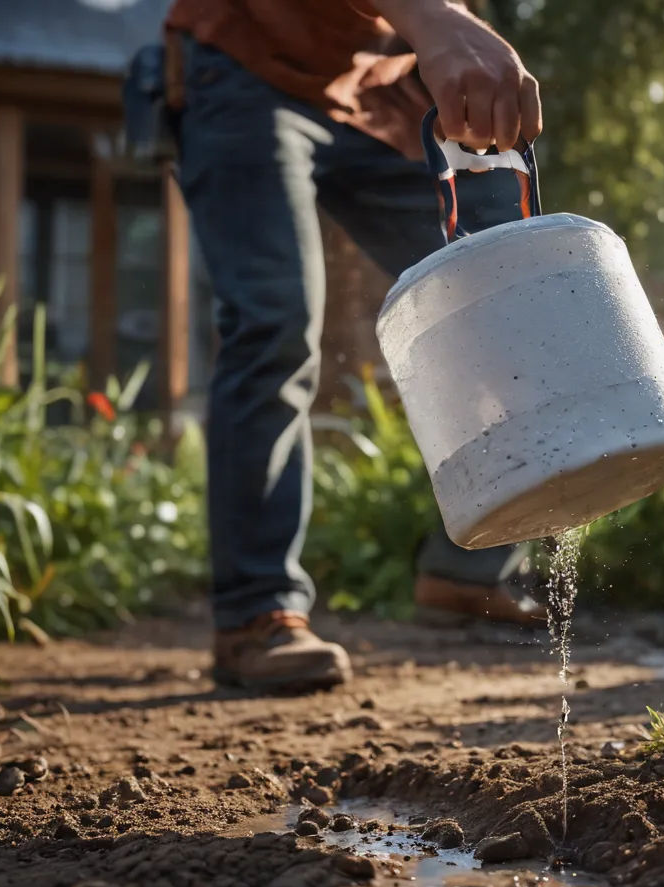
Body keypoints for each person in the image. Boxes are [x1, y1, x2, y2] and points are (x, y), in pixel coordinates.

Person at [162, 0, 545, 692]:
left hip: (380, 83)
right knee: (273, 324)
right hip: (246, 59)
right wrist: (437, 23)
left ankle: (467, 575)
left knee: (506, 284)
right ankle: (258, 613)